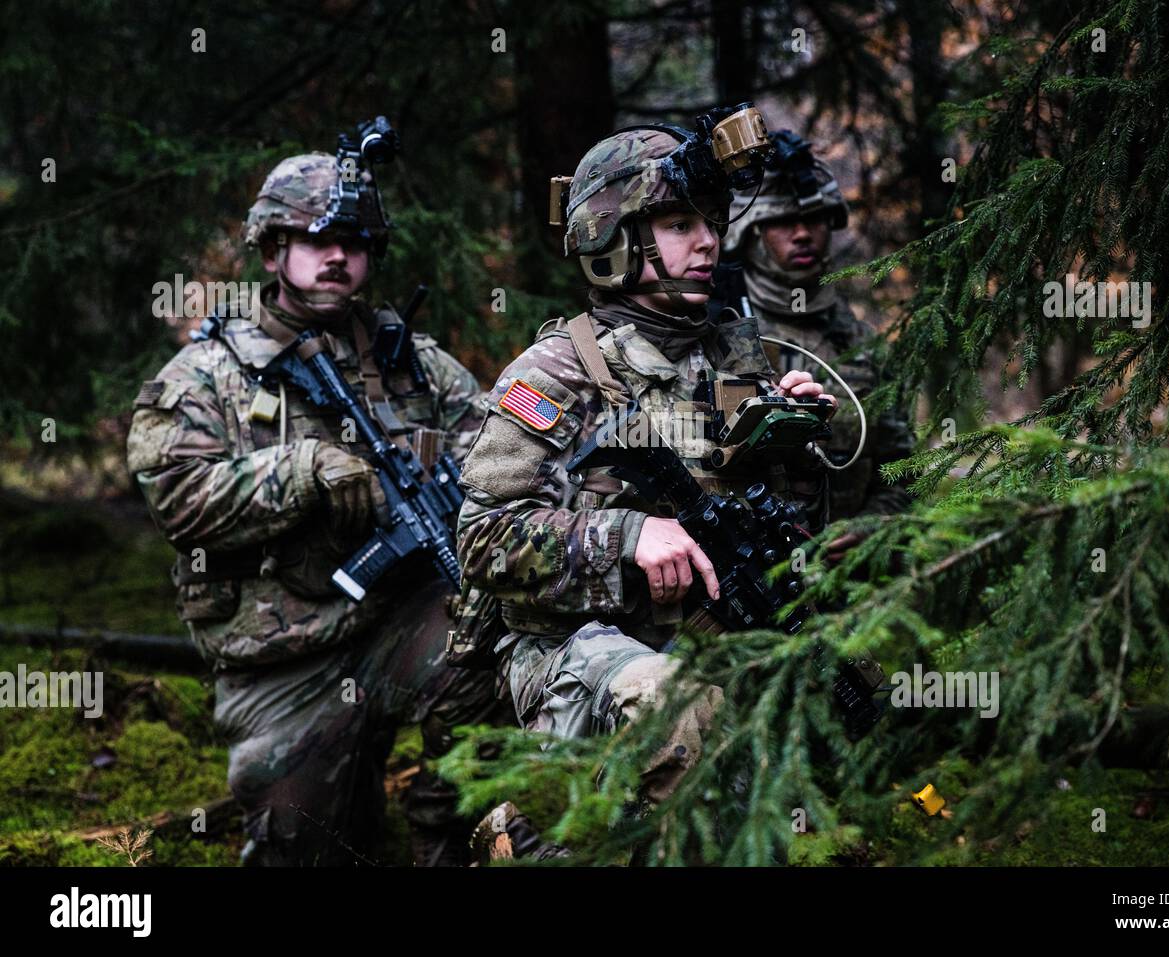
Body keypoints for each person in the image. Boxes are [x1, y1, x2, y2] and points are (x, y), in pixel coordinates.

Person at [454, 121, 837, 858]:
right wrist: (625, 537)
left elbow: (768, 526)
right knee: (677, 706)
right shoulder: (555, 372)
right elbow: (481, 539)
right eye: (678, 224)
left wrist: (790, 435)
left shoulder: (733, 351)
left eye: (711, 224)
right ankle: (531, 832)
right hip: (580, 652)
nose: (707, 244)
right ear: (614, 239)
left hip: (715, 634)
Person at [126, 151, 507, 866]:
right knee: (307, 842)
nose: (338, 256)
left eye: (356, 242)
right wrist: (300, 469)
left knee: (489, 645)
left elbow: (501, 457)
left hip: (404, 621)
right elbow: (176, 496)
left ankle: (451, 833)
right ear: (273, 249)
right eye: (317, 239)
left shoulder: (414, 364)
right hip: (282, 658)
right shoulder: (209, 372)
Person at [720, 131, 913, 554]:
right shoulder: (719, 333)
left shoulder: (859, 343)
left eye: (815, 220)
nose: (803, 234)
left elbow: (903, 469)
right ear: (751, 232)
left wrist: (872, 527)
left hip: (850, 580)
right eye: (783, 223)